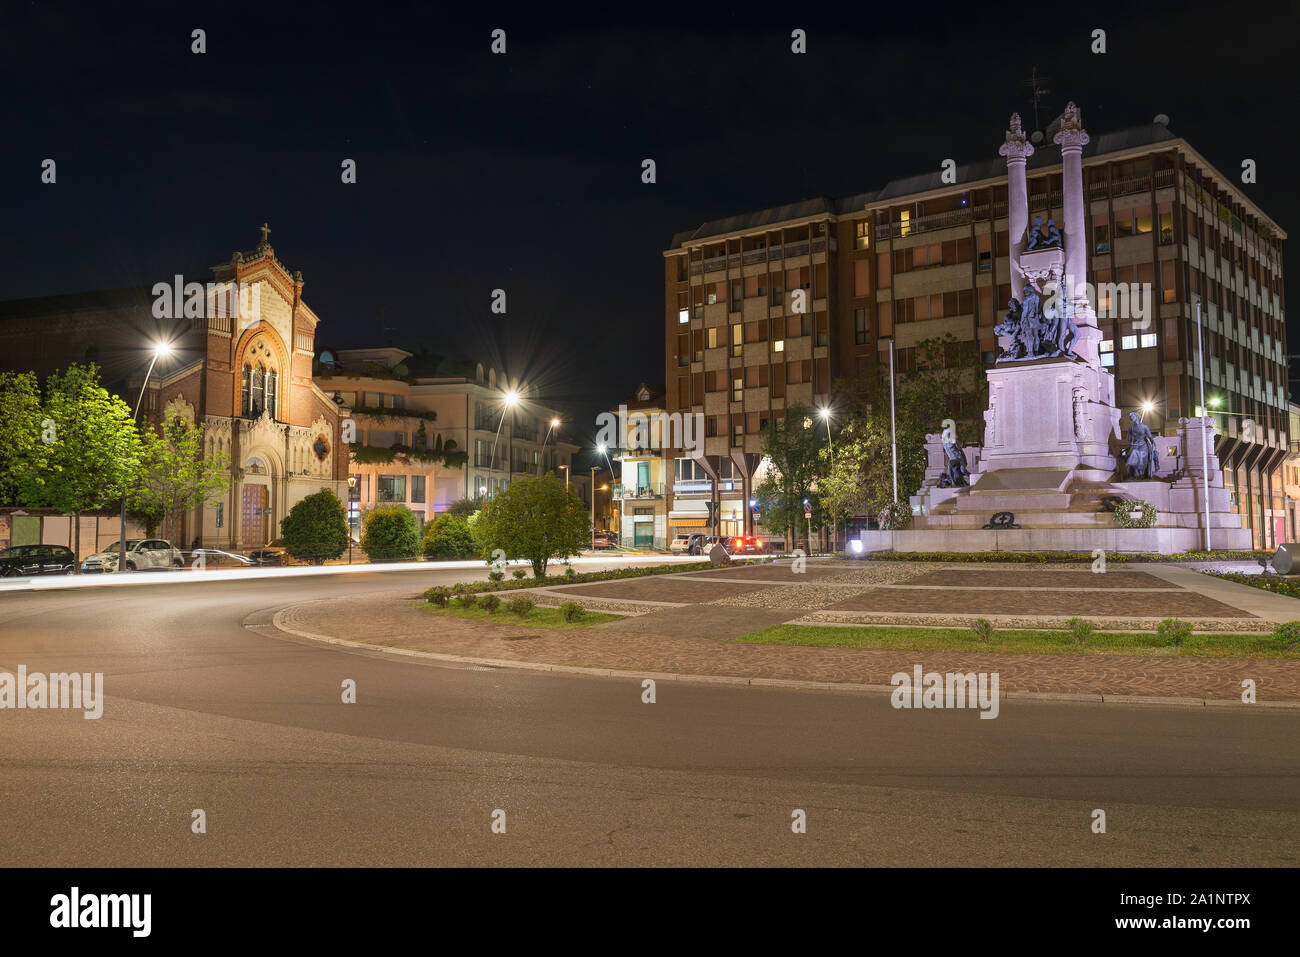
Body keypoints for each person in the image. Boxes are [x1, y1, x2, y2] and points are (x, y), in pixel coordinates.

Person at [1124, 411, 1159, 479]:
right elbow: (1129, 439)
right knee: (1133, 453)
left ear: (1136, 417)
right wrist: (1130, 443)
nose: (1131, 418)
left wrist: (1153, 442)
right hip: (1135, 445)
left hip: (1143, 444)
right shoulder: (1131, 428)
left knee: (1142, 455)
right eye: (1130, 417)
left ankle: (1144, 471)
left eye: (1132, 417)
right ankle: (1133, 470)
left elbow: (1150, 436)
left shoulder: (1144, 427)